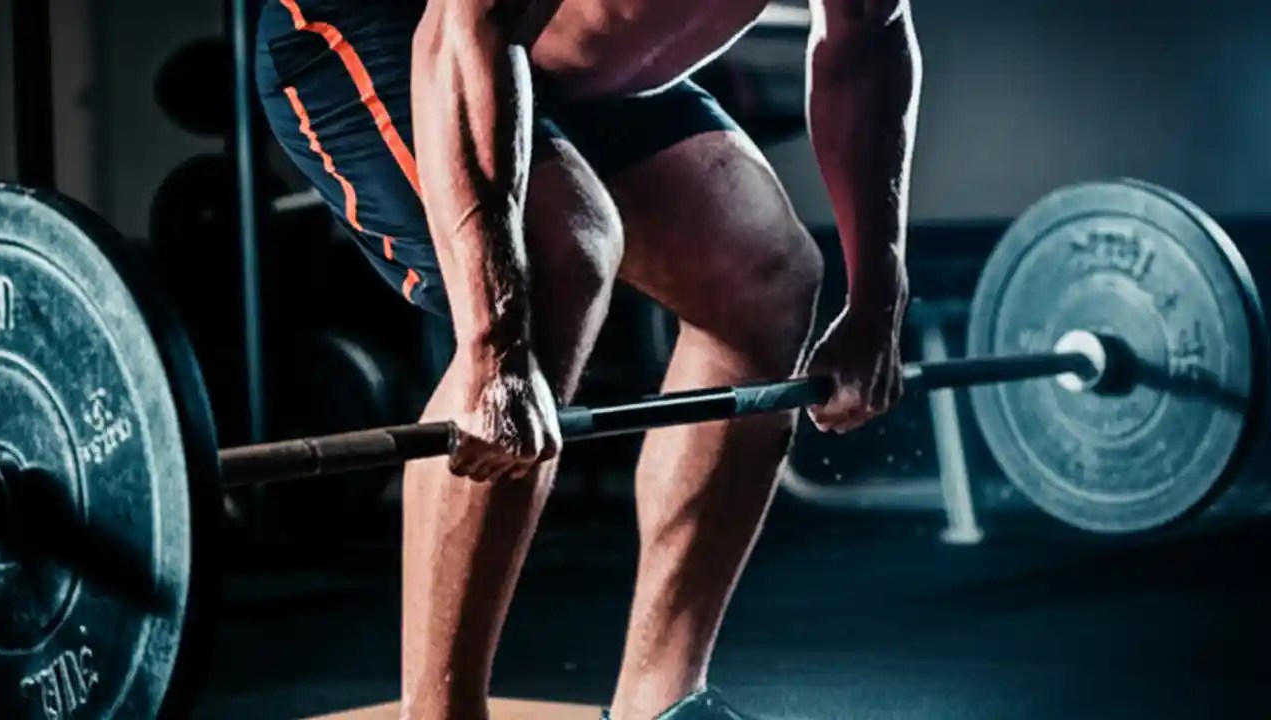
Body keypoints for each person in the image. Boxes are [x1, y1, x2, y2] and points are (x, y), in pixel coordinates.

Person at [253, 0, 919, 716]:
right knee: (557, 257)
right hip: (385, 27)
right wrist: (494, 349)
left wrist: (878, 299)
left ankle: (662, 704)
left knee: (768, 278)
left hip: (576, 70)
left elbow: (866, 41)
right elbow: (463, 31)